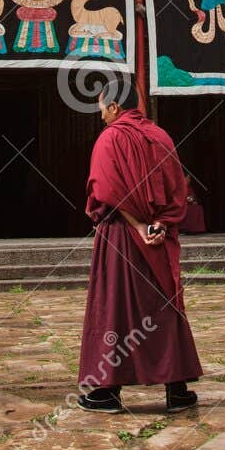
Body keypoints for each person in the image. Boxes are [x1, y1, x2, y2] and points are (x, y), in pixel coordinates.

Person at [75, 84, 202, 414]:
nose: (101, 115)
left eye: (102, 108)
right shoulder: (161, 136)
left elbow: (106, 190)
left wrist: (139, 225)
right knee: (164, 306)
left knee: (115, 309)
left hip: (122, 236)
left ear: (114, 107)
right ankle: (177, 390)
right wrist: (161, 223)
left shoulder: (110, 138)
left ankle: (107, 392)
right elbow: (177, 189)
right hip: (159, 236)